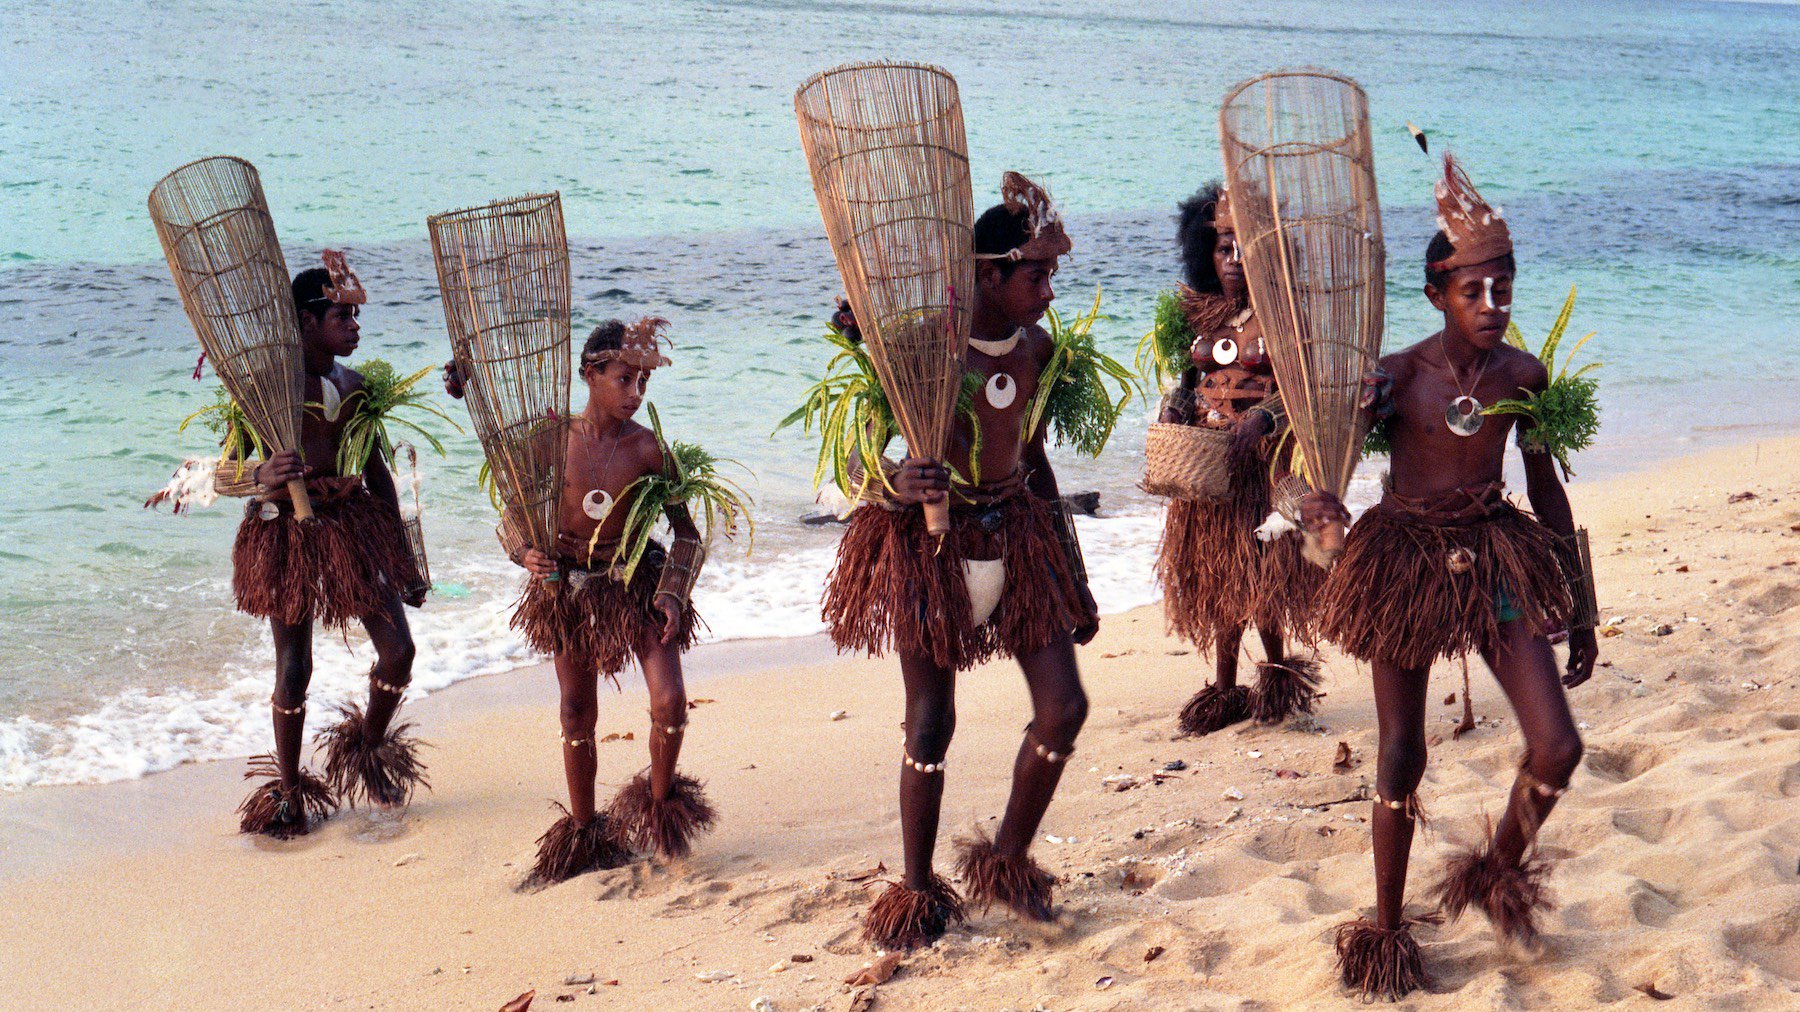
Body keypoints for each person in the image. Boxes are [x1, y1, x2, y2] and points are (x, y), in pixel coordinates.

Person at [1305, 155, 1599, 1000]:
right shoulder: (1396, 376)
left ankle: (1494, 873)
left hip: (1495, 553)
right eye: (1474, 291)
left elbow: (1544, 488)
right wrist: (1315, 502)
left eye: (1503, 288)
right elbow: (1304, 467)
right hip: (1403, 560)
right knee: (1402, 753)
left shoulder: (1523, 379)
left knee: (1559, 745)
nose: (1492, 306)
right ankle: (1388, 928)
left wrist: (1580, 609)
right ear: (1437, 294)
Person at [819, 173, 1101, 949]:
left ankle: (1007, 861)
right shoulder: (920, 350)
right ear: (988, 273)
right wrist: (892, 482)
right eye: (1036, 274)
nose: (1049, 291)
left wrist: (1073, 578)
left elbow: (1036, 459)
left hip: (1020, 535)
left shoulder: (1038, 349)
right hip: (931, 548)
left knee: (1064, 708)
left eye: (1053, 275)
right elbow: (850, 459)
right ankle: (914, 892)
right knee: (931, 722)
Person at [450, 319, 716, 883]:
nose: (636, 394)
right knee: (576, 711)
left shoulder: (648, 449)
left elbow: (688, 534)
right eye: (624, 380)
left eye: (644, 383)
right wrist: (526, 551)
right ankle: (584, 830)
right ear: (589, 374)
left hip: (634, 585)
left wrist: (671, 593)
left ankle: (661, 810)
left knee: (670, 702)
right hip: (568, 589)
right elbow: (512, 513)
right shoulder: (551, 438)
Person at [234, 251, 429, 838]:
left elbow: (379, 475)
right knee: (295, 668)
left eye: (355, 315)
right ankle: (290, 792)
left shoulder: (355, 385)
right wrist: (263, 474)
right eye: (342, 315)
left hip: (350, 527)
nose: (354, 326)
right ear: (304, 321)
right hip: (284, 533)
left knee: (399, 653)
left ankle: (368, 751)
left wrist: (407, 558)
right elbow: (223, 473)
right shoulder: (268, 390)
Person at [1151, 184, 1324, 736]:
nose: (1233, 260)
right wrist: (1173, 411)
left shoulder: (1285, 318)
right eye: (1224, 247)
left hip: (1264, 469)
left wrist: (1265, 418)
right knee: (1224, 579)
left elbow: (1303, 390)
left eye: (1245, 248)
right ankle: (1225, 688)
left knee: (1266, 574)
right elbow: (1183, 381)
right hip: (1210, 467)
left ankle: (1275, 673)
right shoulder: (1197, 313)